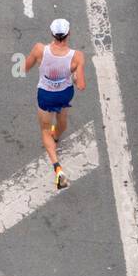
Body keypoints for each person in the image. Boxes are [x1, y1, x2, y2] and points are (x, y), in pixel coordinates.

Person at [23, 18, 86, 189]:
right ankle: (56, 136)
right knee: (61, 121)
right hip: (64, 94)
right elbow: (81, 85)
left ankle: (58, 169)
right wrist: (72, 73)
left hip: (46, 95)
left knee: (44, 129)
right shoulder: (77, 56)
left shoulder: (39, 49)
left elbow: (25, 67)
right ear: (68, 34)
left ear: (52, 33)